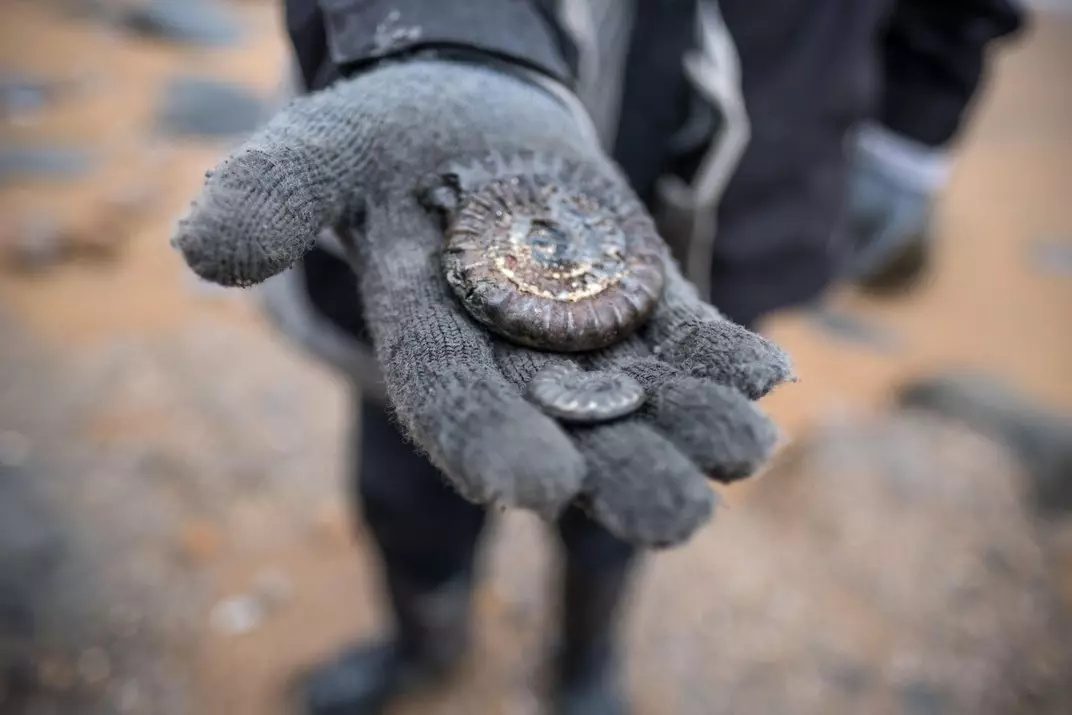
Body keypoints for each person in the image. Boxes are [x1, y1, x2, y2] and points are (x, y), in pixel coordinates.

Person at [172, 2, 1026, 713]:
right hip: (432, 136)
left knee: (634, 473)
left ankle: (584, 664)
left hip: (753, 171)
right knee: (416, 451)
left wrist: (917, 119)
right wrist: (448, 37)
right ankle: (424, 641)